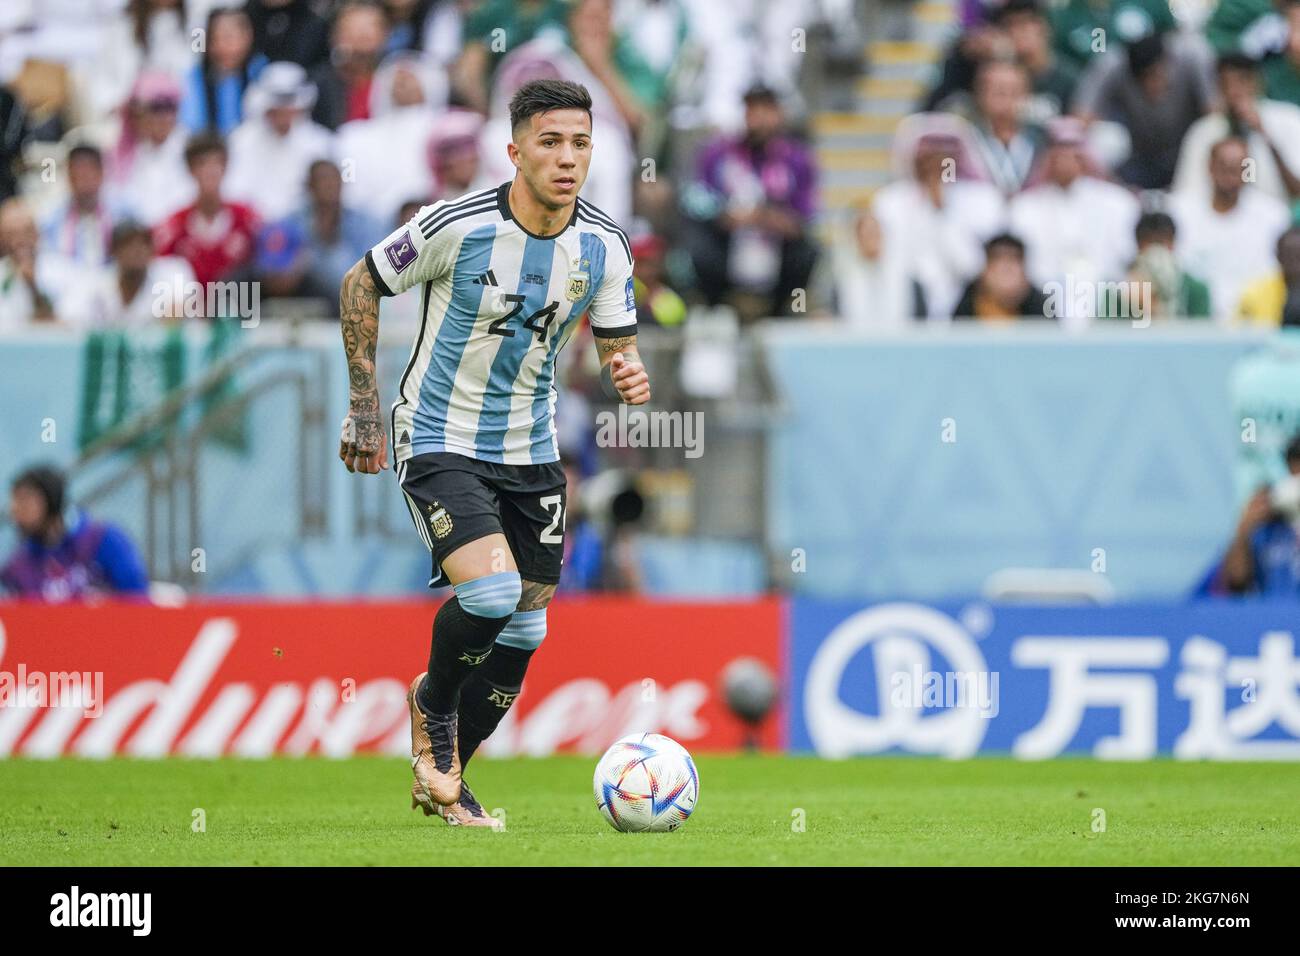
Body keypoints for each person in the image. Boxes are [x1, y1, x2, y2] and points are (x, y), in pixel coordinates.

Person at [335, 79, 650, 828]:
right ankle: (430, 706)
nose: (566, 158)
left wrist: (629, 369)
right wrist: (362, 408)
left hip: (533, 452)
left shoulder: (604, 244)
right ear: (514, 151)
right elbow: (361, 282)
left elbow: (617, 342)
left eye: (579, 142)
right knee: (488, 595)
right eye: (550, 141)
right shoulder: (455, 224)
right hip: (440, 437)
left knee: (528, 629)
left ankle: (446, 777)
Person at [684, 83, 818, 316]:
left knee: (807, 252)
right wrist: (723, 214)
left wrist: (765, 218)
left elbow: (806, 215)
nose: (758, 119)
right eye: (752, 110)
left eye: (765, 110)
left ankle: (783, 312)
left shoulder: (797, 159)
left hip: (776, 243)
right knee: (699, 248)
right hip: (729, 239)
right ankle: (713, 307)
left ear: (779, 114)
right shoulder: (718, 154)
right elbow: (696, 199)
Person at [1168, 136, 1291, 319]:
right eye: (1223, 166)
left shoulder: (1273, 215)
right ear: (1210, 167)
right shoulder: (1178, 211)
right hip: (1192, 319)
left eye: (1238, 168)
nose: (1230, 174)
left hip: (1256, 319)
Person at [1, 465, 149, 602]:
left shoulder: (104, 540)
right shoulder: (19, 564)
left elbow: (137, 599)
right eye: (14, 501)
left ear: (51, 501)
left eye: (24, 500)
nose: (15, 510)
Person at [1174, 53, 1300, 204]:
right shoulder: (1203, 131)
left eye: (1241, 82)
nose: (1233, 92)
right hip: (1220, 221)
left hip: (1277, 218)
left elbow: (1297, 191)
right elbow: (1185, 193)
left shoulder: (1288, 119)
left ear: (1257, 82)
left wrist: (1264, 135)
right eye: (1225, 84)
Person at [224, 62, 335, 221]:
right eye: (277, 105)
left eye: (290, 104)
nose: (284, 111)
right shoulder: (240, 140)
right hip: (254, 225)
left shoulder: (320, 142)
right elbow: (234, 191)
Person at [154, 133, 261, 288]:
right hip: (188, 309)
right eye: (202, 164)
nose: (210, 171)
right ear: (190, 170)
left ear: (226, 167)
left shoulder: (248, 219)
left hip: (239, 307)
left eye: (217, 163)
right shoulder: (173, 227)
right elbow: (160, 275)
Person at [1217, 433, 1300, 595]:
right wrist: (1243, 530)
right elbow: (1236, 583)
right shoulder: (1267, 525)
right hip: (1274, 617)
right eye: (1295, 463)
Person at [41, 144, 123, 266]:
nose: (83, 182)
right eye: (77, 176)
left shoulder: (124, 212)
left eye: (88, 174)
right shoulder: (51, 220)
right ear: (68, 177)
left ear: (101, 173)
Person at [952, 232, 1050, 320]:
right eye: (998, 260)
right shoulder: (966, 305)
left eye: (1013, 260)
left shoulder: (1041, 309)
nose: (1006, 270)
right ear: (985, 270)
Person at [1238, 225, 1300, 325]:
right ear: (1278, 256)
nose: (1295, 263)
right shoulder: (1255, 292)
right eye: (1289, 255)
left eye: (1299, 256)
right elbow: (1240, 333)